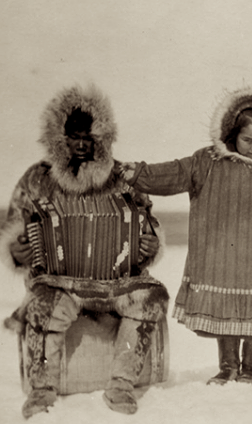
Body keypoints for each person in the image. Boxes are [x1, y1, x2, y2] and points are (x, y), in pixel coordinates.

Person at [120, 87, 252, 387]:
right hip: (223, 257)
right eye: (247, 140)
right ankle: (228, 367)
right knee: (225, 312)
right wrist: (137, 173)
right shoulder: (208, 161)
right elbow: (173, 174)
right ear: (232, 134)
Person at [0, 84, 167, 418]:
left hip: (116, 282)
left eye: (89, 136)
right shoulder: (37, 179)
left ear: (101, 138)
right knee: (43, 305)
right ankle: (41, 390)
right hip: (59, 283)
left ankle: (122, 384)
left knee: (152, 297)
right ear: (58, 137)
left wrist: (149, 245)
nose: (81, 144)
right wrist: (18, 250)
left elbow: (148, 224)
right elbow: (15, 228)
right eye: (73, 136)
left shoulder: (122, 178)